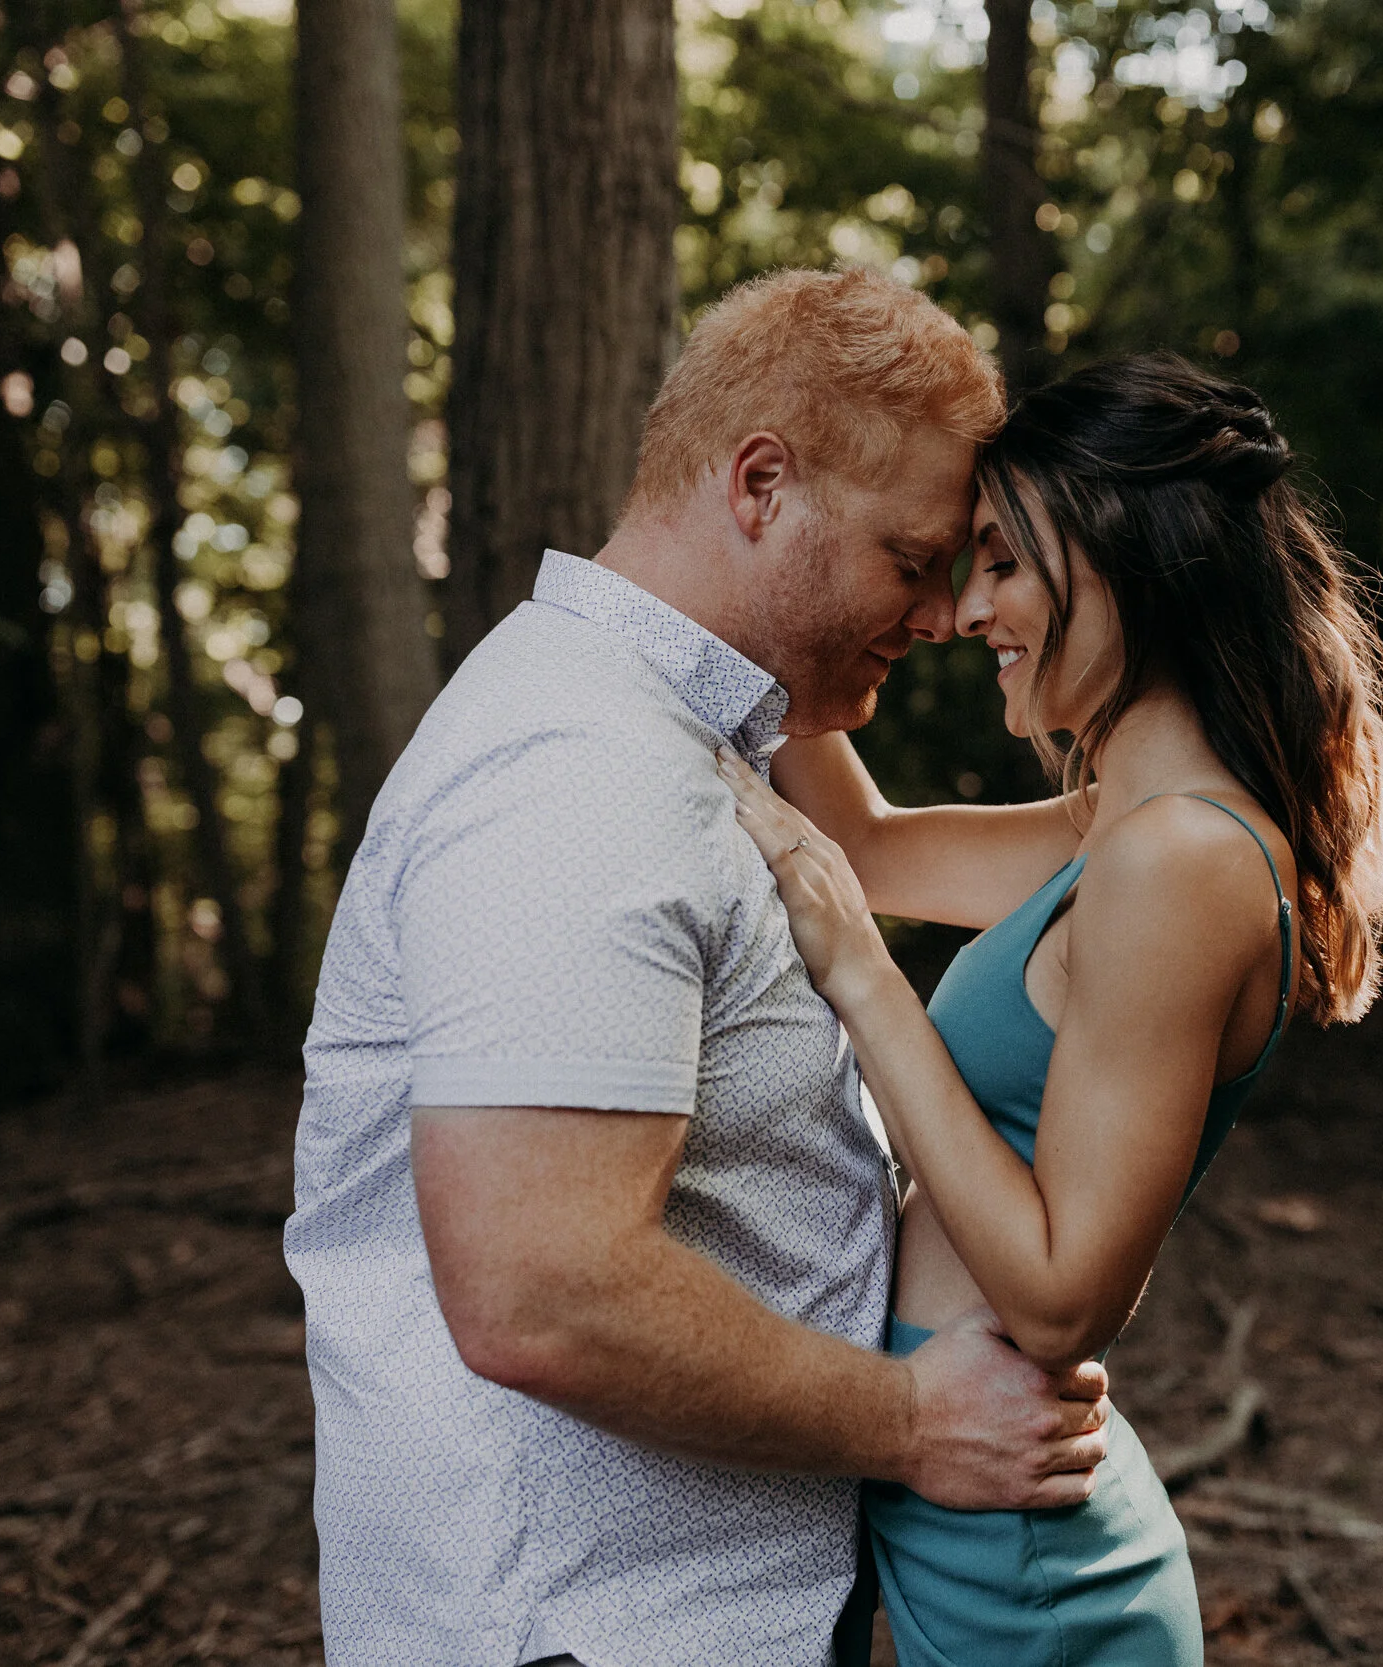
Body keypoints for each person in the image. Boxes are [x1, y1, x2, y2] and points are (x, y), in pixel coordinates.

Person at [283, 268, 1117, 1667]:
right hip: (589, 1635)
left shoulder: (687, 730)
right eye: (912, 561)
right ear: (760, 485)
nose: (936, 614)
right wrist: (913, 1421)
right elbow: (540, 1286)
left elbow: (891, 845)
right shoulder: (577, 771)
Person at [718, 353, 1383, 1665]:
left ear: (1126, 561)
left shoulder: (1188, 862)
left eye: (1002, 561)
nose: (967, 607)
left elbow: (1058, 1301)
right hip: (958, 1503)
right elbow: (863, 848)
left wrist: (863, 974)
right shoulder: (1126, 830)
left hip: (1022, 1571)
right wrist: (765, 586)